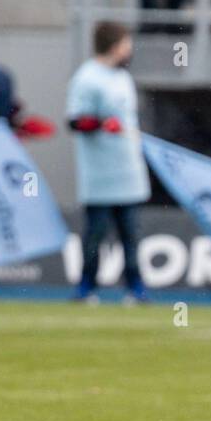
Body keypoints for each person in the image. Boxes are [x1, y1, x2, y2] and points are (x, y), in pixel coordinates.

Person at [67, 22, 151, 303]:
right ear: (114, 45)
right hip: (100, 174)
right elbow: (76, 120)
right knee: (96, 234)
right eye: (126, 43)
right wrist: (102, 123)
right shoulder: (87, 77)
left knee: (131, 234)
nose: (129, 50)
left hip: (128, 170)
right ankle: (87, 286)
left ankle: (135, 287)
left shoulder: (122, 77)